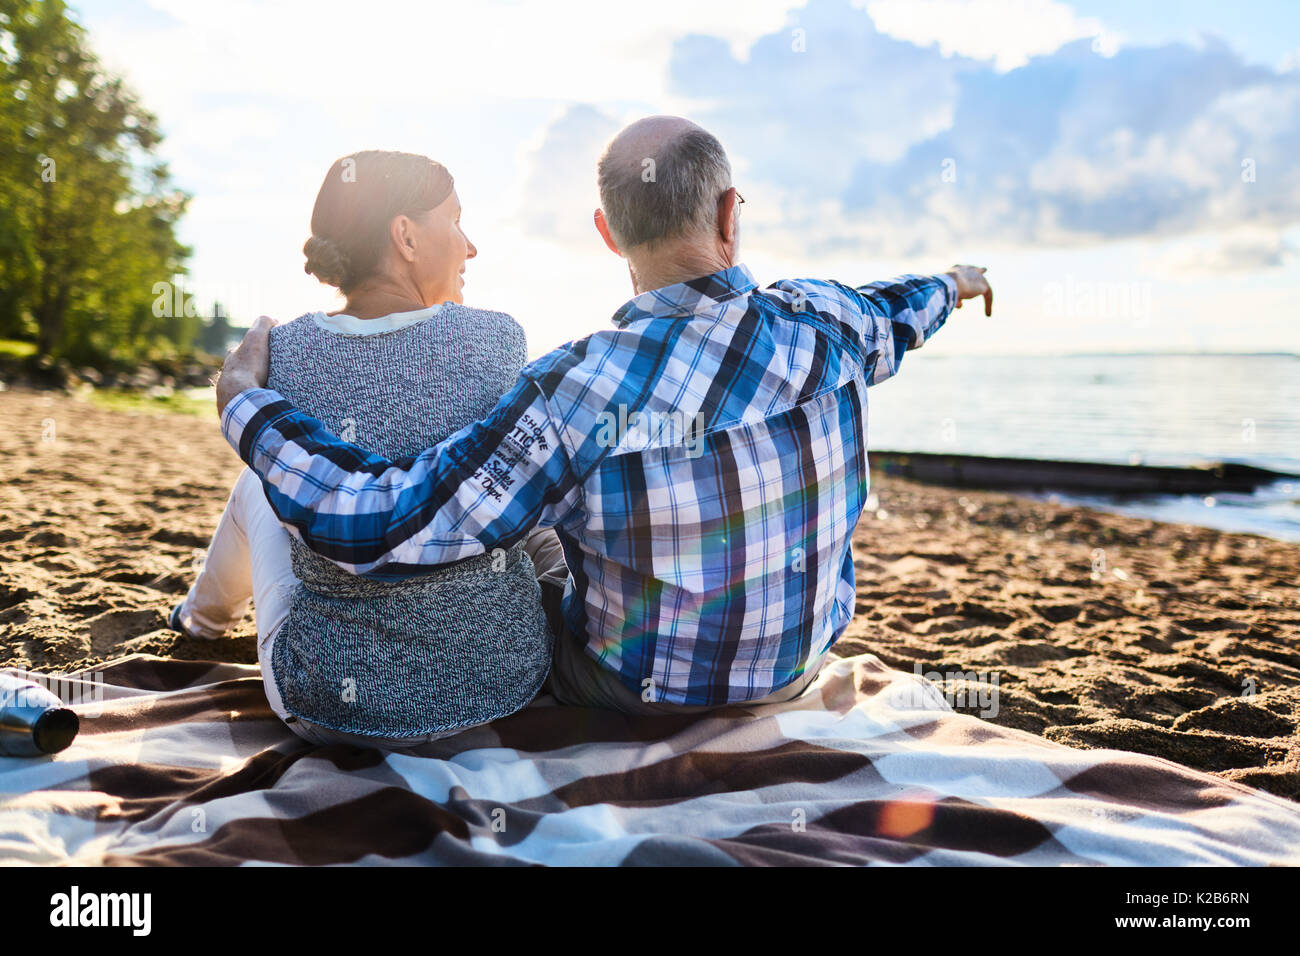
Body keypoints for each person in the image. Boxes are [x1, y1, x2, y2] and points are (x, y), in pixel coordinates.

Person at [215, 116, 994, 716]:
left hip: (634, 690)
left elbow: (376, 528)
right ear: (729, 213)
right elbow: (905, 309)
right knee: (551, 505)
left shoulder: (577, 388)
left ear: (607, 232)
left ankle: (201, 612)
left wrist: (249, 409)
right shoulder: (832, 319)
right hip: (798, 666)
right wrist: (957, 280)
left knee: (531, 502)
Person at [172, 150, 562, 747]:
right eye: (456, 220)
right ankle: (201, 617)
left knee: (263, 478)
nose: (471, 246)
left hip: (335, 707)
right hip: (501, 688)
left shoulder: (288, 351)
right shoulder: (496, 337)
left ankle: (200, 620)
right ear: (405, 235)